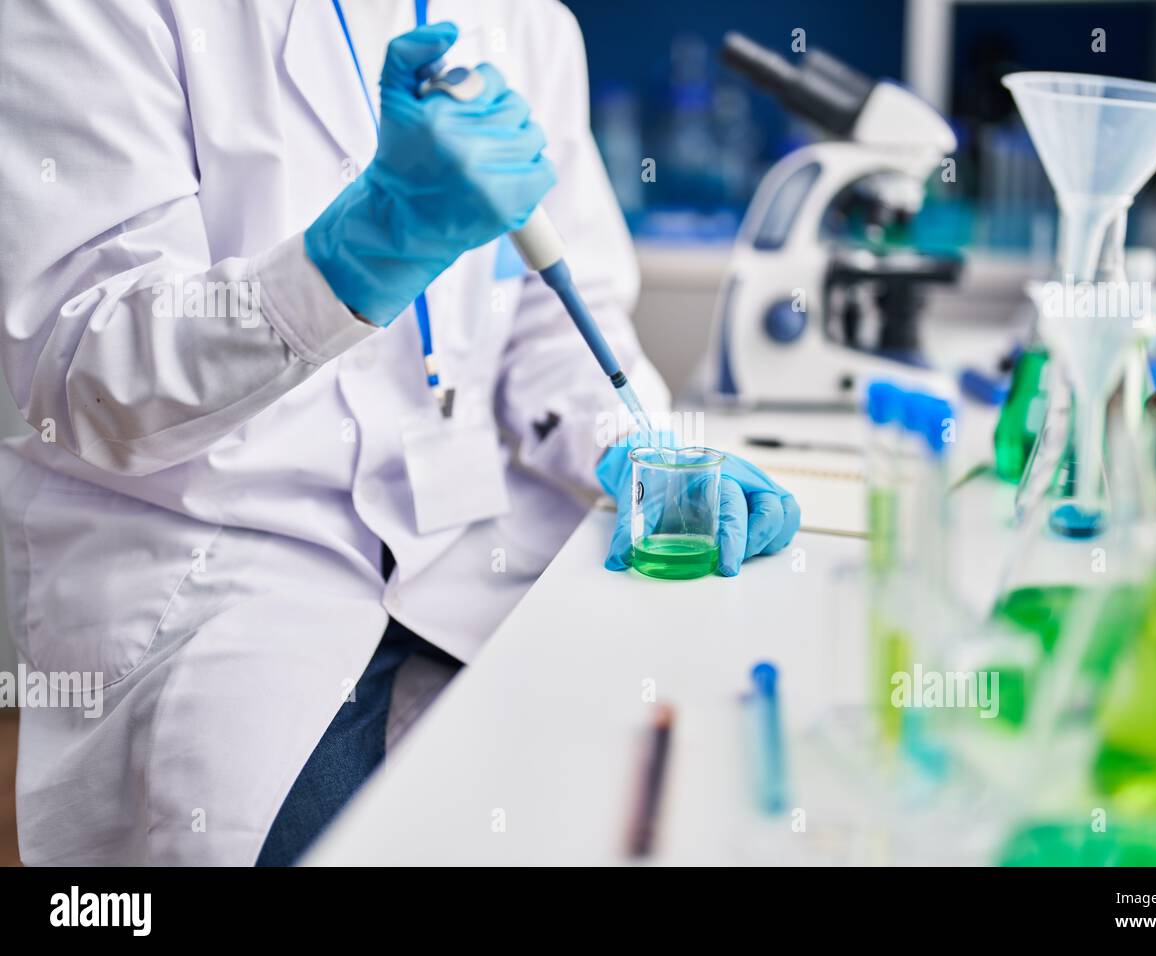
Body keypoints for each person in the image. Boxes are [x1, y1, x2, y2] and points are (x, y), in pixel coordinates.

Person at [0, 0, 798, 865]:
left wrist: (633, 445)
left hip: (473, 545)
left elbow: (556, 317)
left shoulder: (528, 22)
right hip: (218, 564)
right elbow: (85, 365)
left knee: (639, 799)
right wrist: (358, 253)